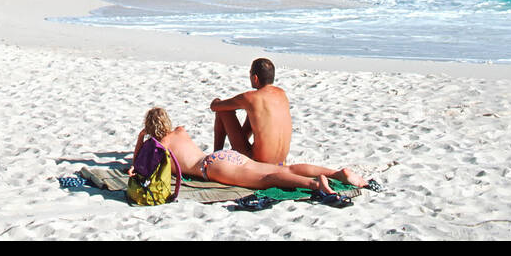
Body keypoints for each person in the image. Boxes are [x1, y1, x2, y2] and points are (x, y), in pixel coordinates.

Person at [131, 107, 366, 197]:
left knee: (268, 179)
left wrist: (142, 138)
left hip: (211, 168)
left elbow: (138, 166)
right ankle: (337, 173)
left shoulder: (159, 146)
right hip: (224, 155)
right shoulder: (180, 131)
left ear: (150, 128)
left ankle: (315, 185)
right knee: (282, 169)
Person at [210, 57, 294, 163]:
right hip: (280, 162)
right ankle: (225, 154)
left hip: (258, 162)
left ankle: (215, 158)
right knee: (253, 114)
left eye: (250, 74)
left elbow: (214, 107)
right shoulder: (282, 94)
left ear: (255, 78)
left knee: (222, 110)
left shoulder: (251, 97)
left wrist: (216, 100)